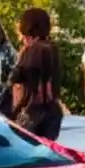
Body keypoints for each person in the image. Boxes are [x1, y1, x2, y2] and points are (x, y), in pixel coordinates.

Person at [9, 8, 63, 139]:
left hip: (32, 111)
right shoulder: (52, 48)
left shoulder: (32, 50)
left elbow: (18, 78)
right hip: (52, 111)